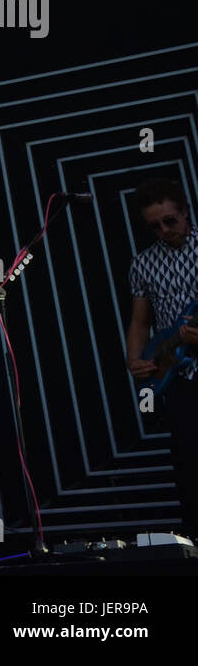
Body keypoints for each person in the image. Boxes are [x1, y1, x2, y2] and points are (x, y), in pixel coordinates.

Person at [126, 177, 198, 534]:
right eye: (155, 225)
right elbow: (140, 321)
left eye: (170, 220)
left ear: (186, 212)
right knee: (189, 468)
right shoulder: (142, 264)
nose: (164, 230)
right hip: (178, 377)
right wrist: (135, 359)